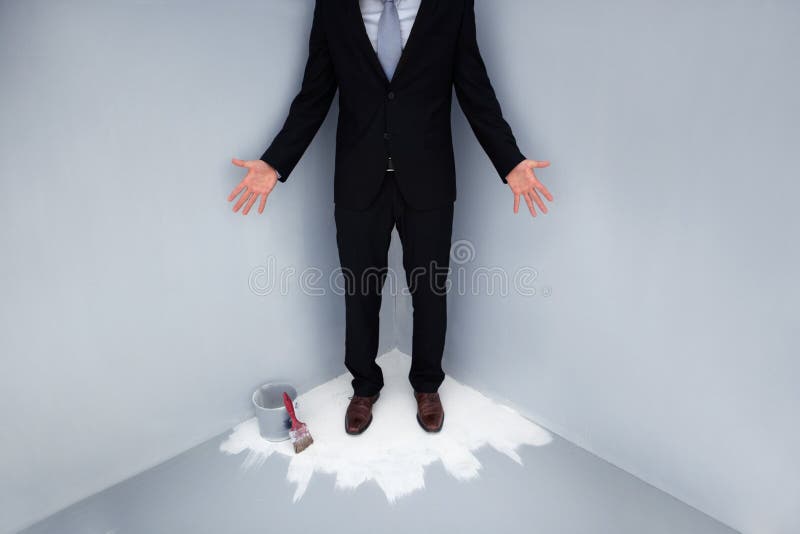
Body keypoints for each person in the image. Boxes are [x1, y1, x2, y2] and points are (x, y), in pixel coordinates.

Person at [228, 0, 552, 435]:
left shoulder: (452, 6)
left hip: (429, 175)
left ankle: (426, 385)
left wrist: (509, 161)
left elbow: (474, 88)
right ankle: (364, 386)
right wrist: (275, 163)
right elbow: (315, 94)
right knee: (359, 289)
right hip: (359, 177)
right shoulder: (333, 7)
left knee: (430, 287)